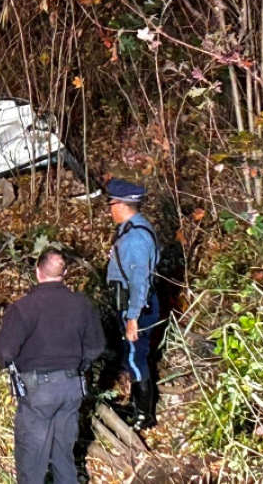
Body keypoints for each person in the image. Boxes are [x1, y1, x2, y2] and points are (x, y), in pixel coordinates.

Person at [0, 249, 106, 484]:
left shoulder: (24, 308)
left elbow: (4, 352)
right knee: (64, 457)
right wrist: (76, 366)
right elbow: (96, 346)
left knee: (32, 464)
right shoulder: (81, 305)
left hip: (38, 393)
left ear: (37, 272)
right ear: (65, 273)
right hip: (71, 388)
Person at [104, 178, 160, 429]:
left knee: (137, 358)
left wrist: (133, 318)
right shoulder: (132, 228)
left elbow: (140, 281)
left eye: (111, 203)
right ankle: (137, 407)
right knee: (132, 356)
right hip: (129, 305)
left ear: (121, 206)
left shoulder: (135, 238)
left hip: (137, 308)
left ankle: (143, 416)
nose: (109, 209)